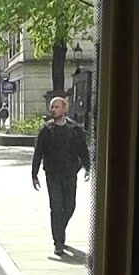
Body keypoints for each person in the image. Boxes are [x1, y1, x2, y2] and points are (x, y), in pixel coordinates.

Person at [31, 96, 90, 256]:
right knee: (56, 208)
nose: (54, 110)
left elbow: (82, 149)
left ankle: (59, 229)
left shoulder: (75, 129)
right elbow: (38, 153)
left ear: (64, 109)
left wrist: (87, 167)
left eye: (57, 107)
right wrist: (34, 174)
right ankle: (58, 242)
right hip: (53, 174)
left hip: (70, 174)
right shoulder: (46, 130)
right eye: (52, 107)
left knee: (70, 207)